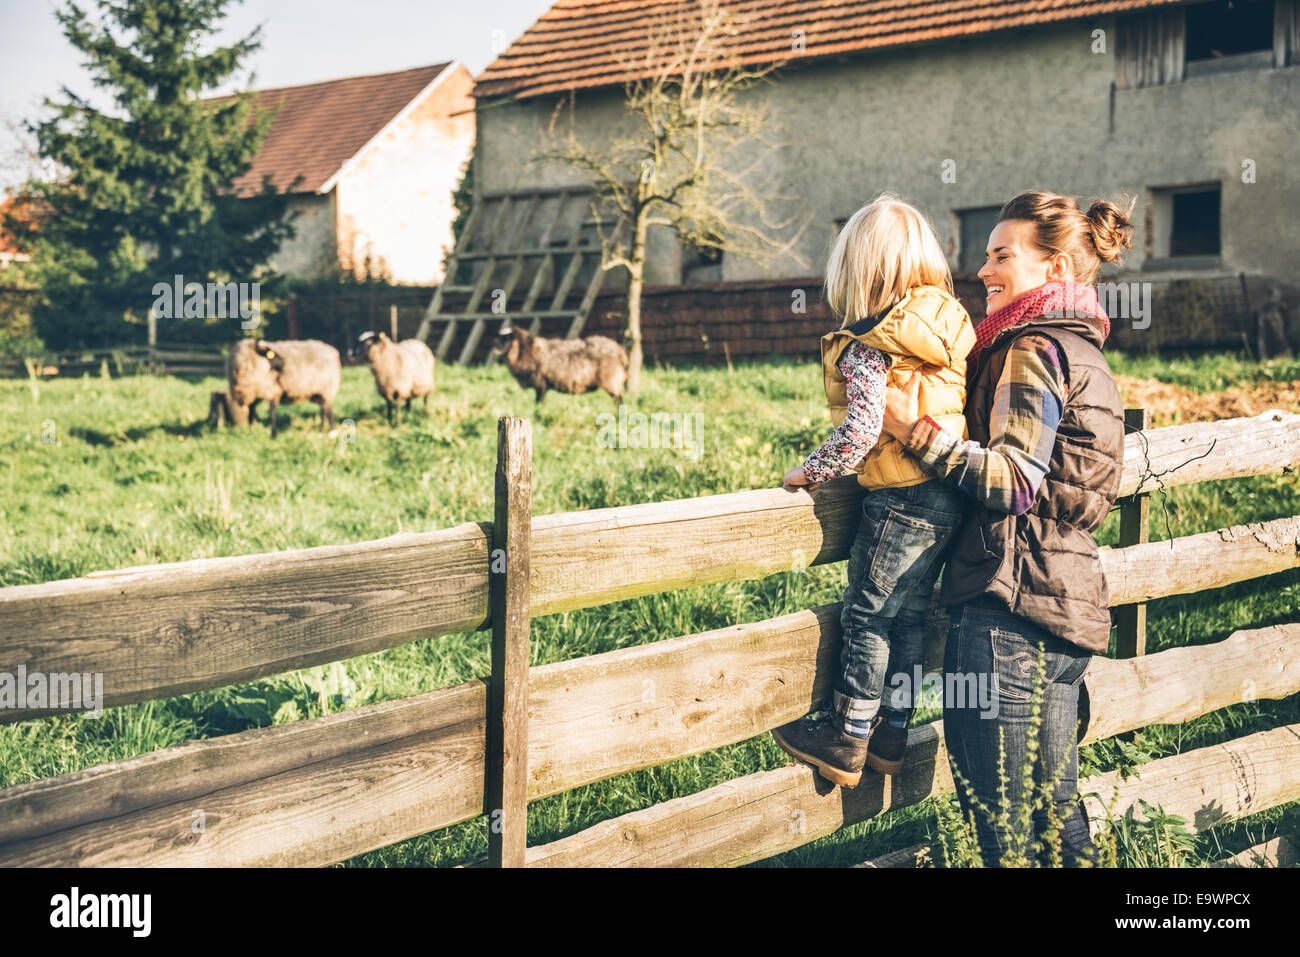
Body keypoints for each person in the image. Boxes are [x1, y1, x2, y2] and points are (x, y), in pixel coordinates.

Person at [880, 189, 1135, 866]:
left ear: (1055, 269)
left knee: (1006, 839)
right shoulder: (1086, 351)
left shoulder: (1033, 347)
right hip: (1064, 611)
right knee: (1057, 824)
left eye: (1002, 256)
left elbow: (1015, 481)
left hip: (1008, 617)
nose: (983, 270)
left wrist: (915, 433)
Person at [774, 194, 974, 787]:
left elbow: (862, 429)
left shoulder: (872, 341)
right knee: (908, 616)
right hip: (949, 491)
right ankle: (891, 733)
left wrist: (811, 470)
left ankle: (847, 736)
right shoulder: (945, 325)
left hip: (900, 496)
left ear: (858, 270)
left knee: (867, 615)